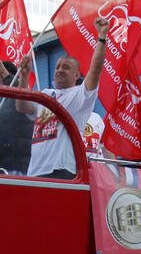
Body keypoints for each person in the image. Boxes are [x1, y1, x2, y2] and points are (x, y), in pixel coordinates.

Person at [13, 15, 109, 178]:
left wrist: (101, 38)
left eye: (66, 67)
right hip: (36, 172)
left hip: (62, 171)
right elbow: (22, 107)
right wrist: (24, 76)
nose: (59, 70)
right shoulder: (45, 95)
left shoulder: (79, 96)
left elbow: (95, 70)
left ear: (77, 75)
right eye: (57, 67)